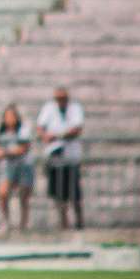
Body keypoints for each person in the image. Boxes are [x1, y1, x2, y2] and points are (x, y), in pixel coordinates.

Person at [37, 87, 84, 230]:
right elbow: (40, 127)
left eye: (63, 99)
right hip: (55, 155)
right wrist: (45, 136)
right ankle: (64, 223)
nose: (60, 102)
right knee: (59, 194)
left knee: (75, 194)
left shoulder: (75, 108)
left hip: (71, 156)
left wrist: (57, 136)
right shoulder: (49, 108)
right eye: (58, 99)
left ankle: (79, 222)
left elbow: (76, 129)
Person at [0, 103, 33, 235]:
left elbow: (23, 149)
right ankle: (6, 221)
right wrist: (8, 152)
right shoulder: (0, 131)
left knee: (23, 196)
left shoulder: (23, 130)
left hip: (23, 166)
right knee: (3, 193)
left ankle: (23, 224)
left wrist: (6, 153)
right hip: (8, 166)